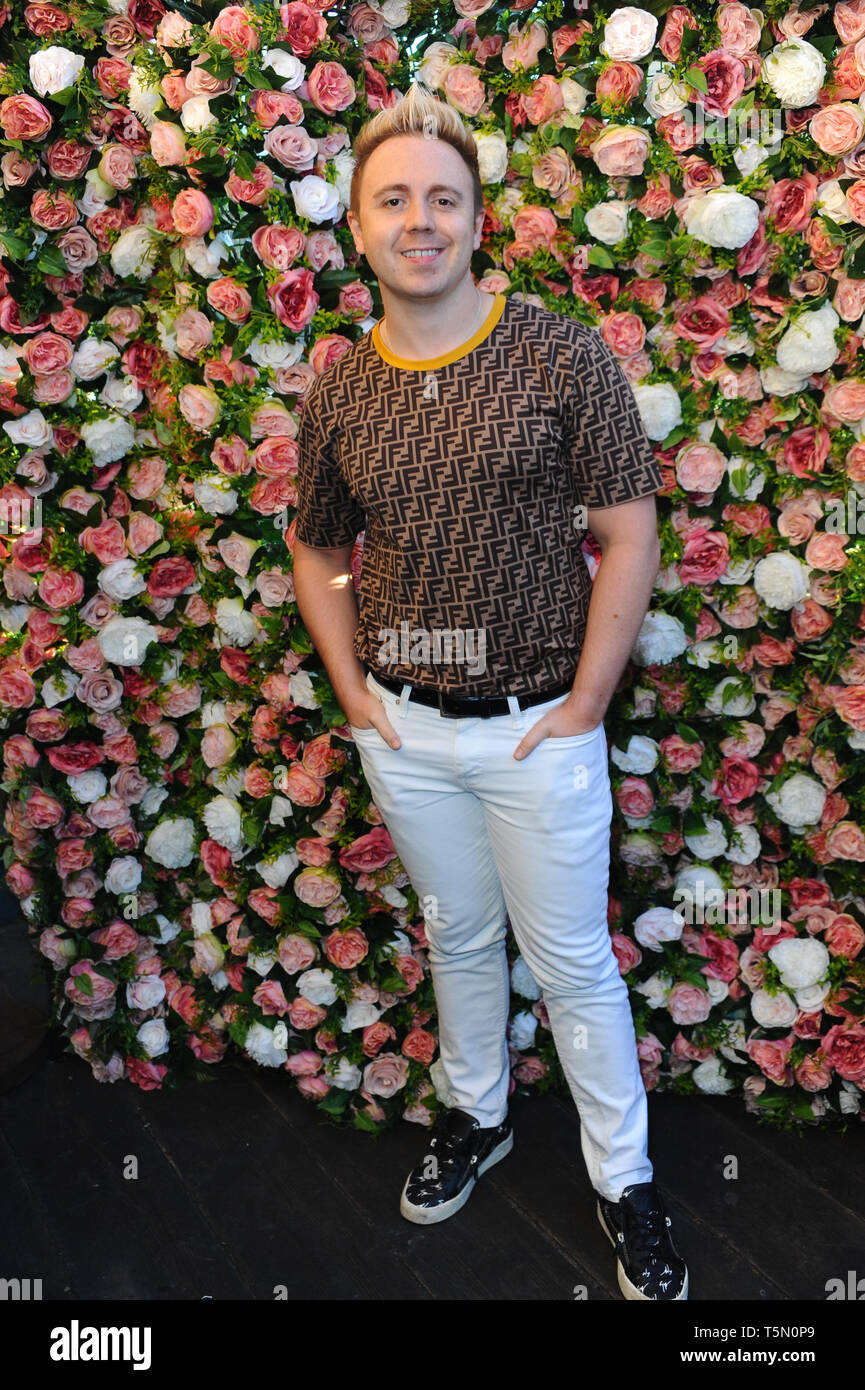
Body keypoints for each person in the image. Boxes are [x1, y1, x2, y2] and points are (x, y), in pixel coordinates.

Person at [292, 81, 688, 1302]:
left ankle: (624, 1183)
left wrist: (579, 705)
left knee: (571, 963)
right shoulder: (343, 383)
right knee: (458, 938)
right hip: (406, 731)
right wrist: (355, 693)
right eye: (394, 199)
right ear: (358, 229)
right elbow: (316, 547)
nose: (421, 220)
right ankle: (476, 1115)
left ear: (476, 219)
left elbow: (631, 530)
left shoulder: (560, 351)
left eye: (443, 198)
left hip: (536, 734)